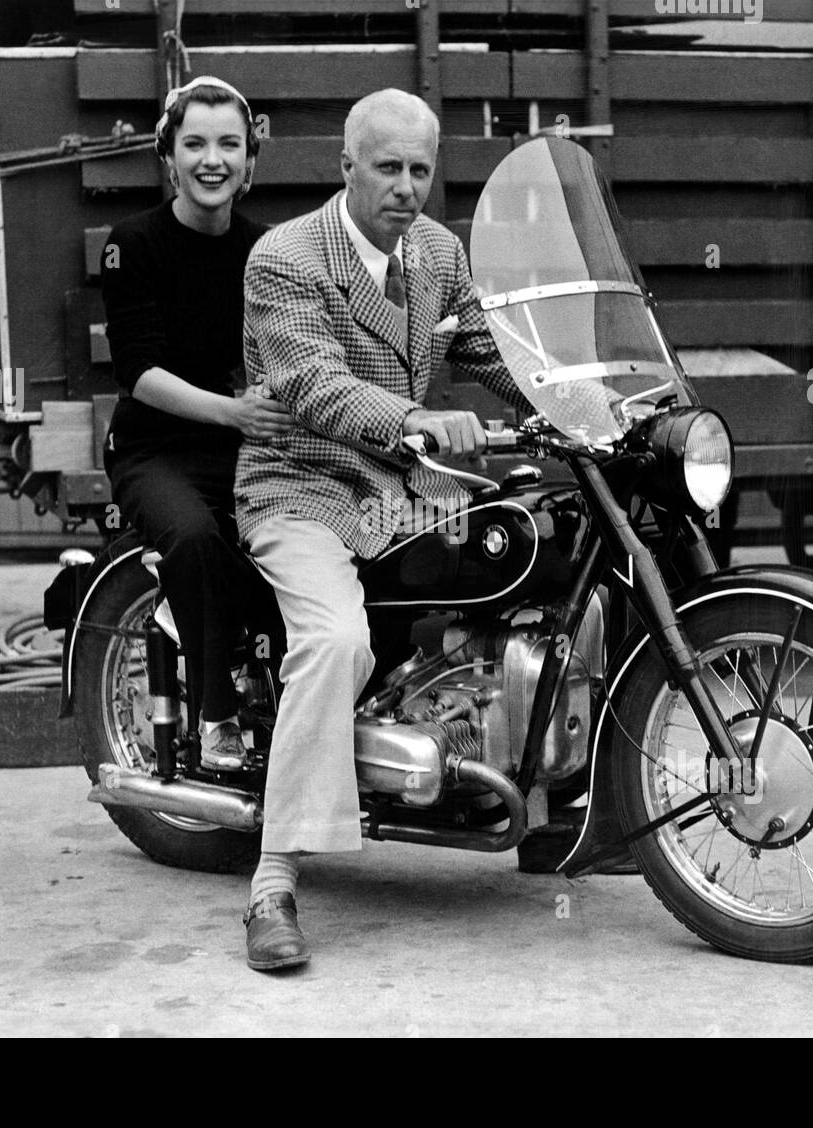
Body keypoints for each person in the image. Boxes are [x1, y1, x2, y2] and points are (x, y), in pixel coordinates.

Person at [234, 88, 531, 971]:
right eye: (389, 167)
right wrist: (417, 417)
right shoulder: (283, 258)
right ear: (347, 166)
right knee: (333, 640)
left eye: (421, 171)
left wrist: (587, 398)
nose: (406, 187)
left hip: (405, 492)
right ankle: (272, 883)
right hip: (305, 487)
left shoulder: (436, 251)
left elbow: (492, 351)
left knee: (538, 556)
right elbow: (314, 383)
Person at [101, 76, 292, 771]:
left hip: (238, 445)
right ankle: (216, 715)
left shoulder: (268, 249)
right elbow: (139, 373)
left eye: (229, 145)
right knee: (195, 537)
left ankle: (290, 708)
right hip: (154, 449)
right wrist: (235, 411)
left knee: (305, 541)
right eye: (195, 144)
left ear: (250, 160)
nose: (213, 160)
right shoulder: (133, 244)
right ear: (169, 156)